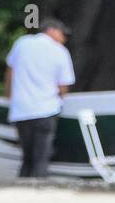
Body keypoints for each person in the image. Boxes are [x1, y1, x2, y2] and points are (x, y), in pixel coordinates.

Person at [5, 17, 76, 178]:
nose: (63, 39)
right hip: (46, 110)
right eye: (62, 34)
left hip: (21, 110)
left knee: (27, 159)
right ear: (52, 30)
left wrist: (10, 96)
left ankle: (20, 195)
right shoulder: (60, 51)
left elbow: (10, 72)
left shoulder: (22, 43)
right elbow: (63, 86)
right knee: (41, 159)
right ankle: (40, 198)